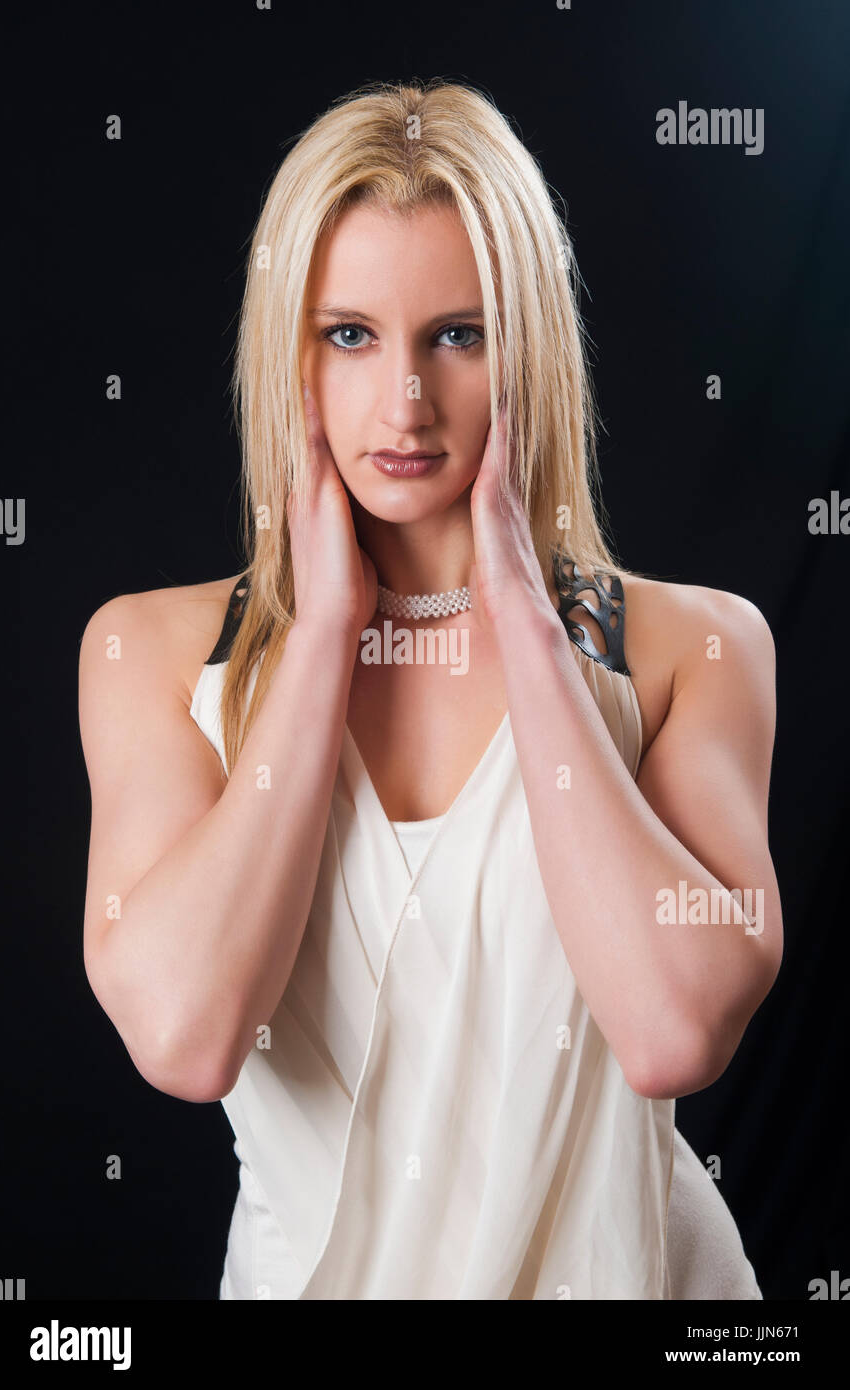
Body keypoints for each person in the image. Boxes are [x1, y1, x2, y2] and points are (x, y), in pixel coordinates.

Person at [78, 79, 780, 1299]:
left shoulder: (694, 647)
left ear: (530, 348)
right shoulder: (148, 654)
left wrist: (521, 612)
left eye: (458, 333)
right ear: (284, 350)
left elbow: (675, 1032)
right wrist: (321, 635)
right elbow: (189, 1037)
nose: (405, 400)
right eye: (349, 334)